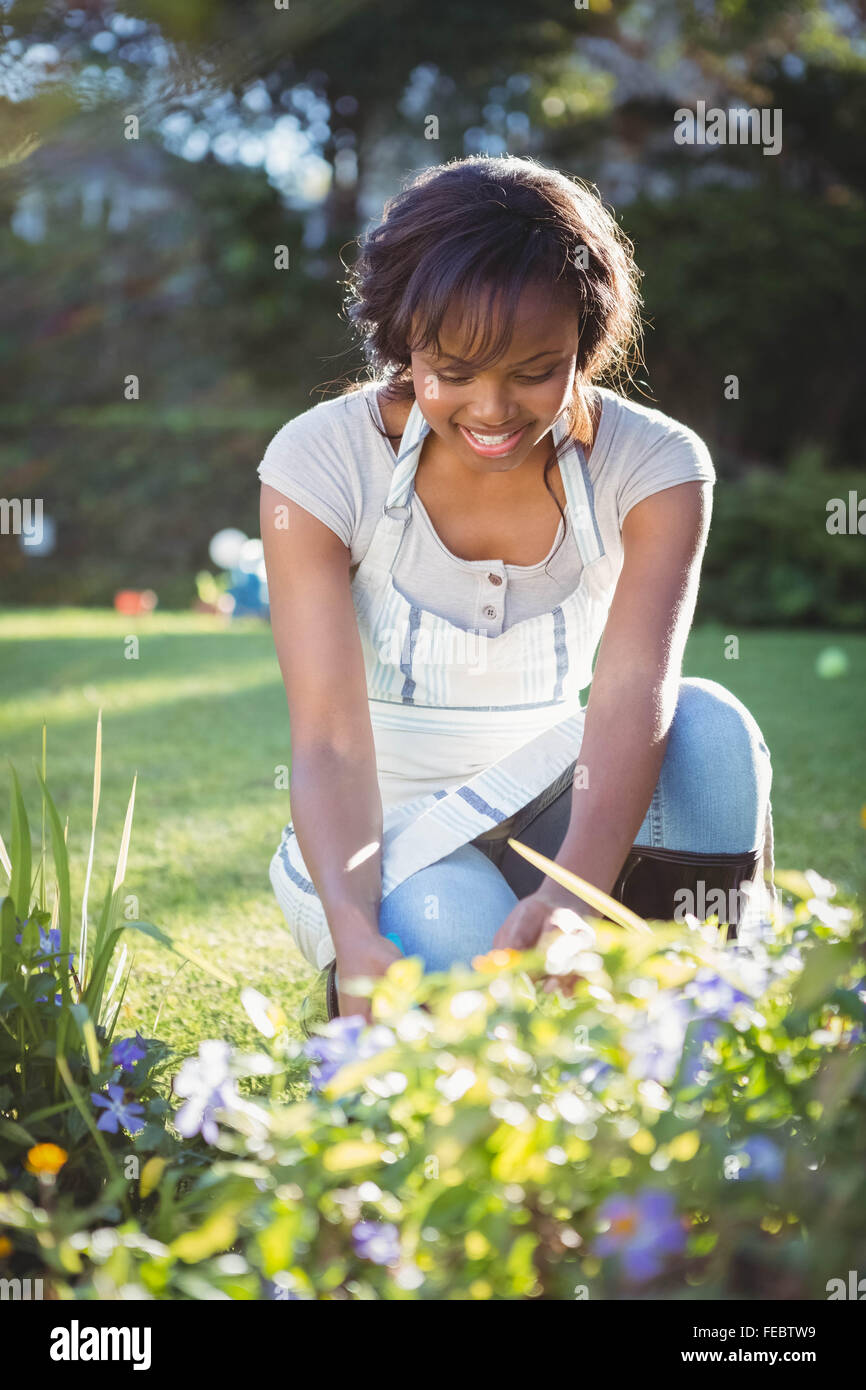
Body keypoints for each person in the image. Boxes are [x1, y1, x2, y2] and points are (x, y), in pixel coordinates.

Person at [258, 154, 774, 1024]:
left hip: (554, 804)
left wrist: (573, 891)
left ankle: (706, 1045)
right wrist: (353, 935)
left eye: (535, 370)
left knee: (711, 722)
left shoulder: (656, 466)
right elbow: (330, 743)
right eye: (451, 371)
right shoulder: (319, 462)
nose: (491, 410)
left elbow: (630, 696)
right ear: (402, 340)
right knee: (465, 951)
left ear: (586, 342)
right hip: (385, 834)